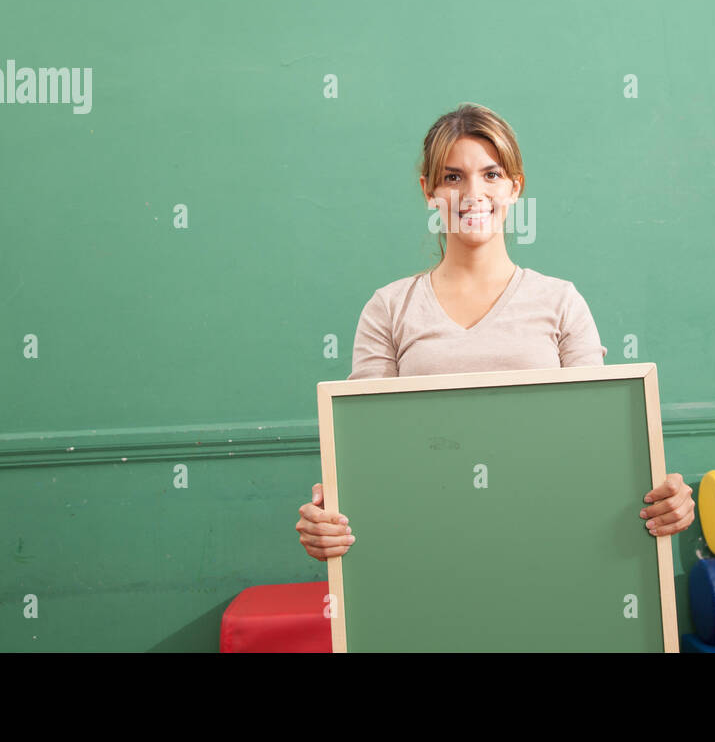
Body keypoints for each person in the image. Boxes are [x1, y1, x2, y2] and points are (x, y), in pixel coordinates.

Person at [296, 103, 694, 560]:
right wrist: (330, 517)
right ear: (428, 190)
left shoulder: (561, 302)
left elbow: (597, 444)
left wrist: (664, 499)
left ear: (514, 187)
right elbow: (367, 455)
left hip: (551, 538)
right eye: (452, 177)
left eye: (491, 174)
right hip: (427, 543)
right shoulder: (388, 308)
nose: (472, 193)